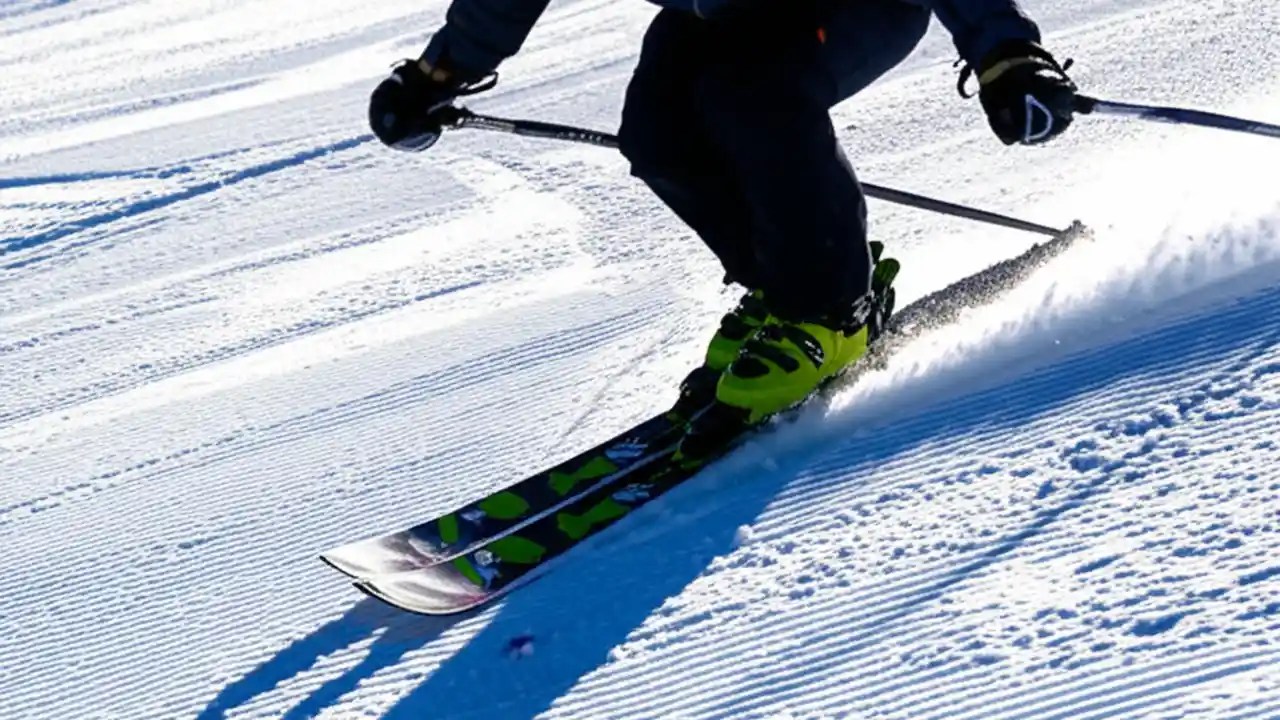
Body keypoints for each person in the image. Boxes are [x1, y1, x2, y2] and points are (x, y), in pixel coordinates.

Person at [367, 0, 1077, 428]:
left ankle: (831, 310)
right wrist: (439, 75)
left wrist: (1005, 51)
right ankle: (791, 280)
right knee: (658, 132)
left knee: (752, 96)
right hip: (723, 12)